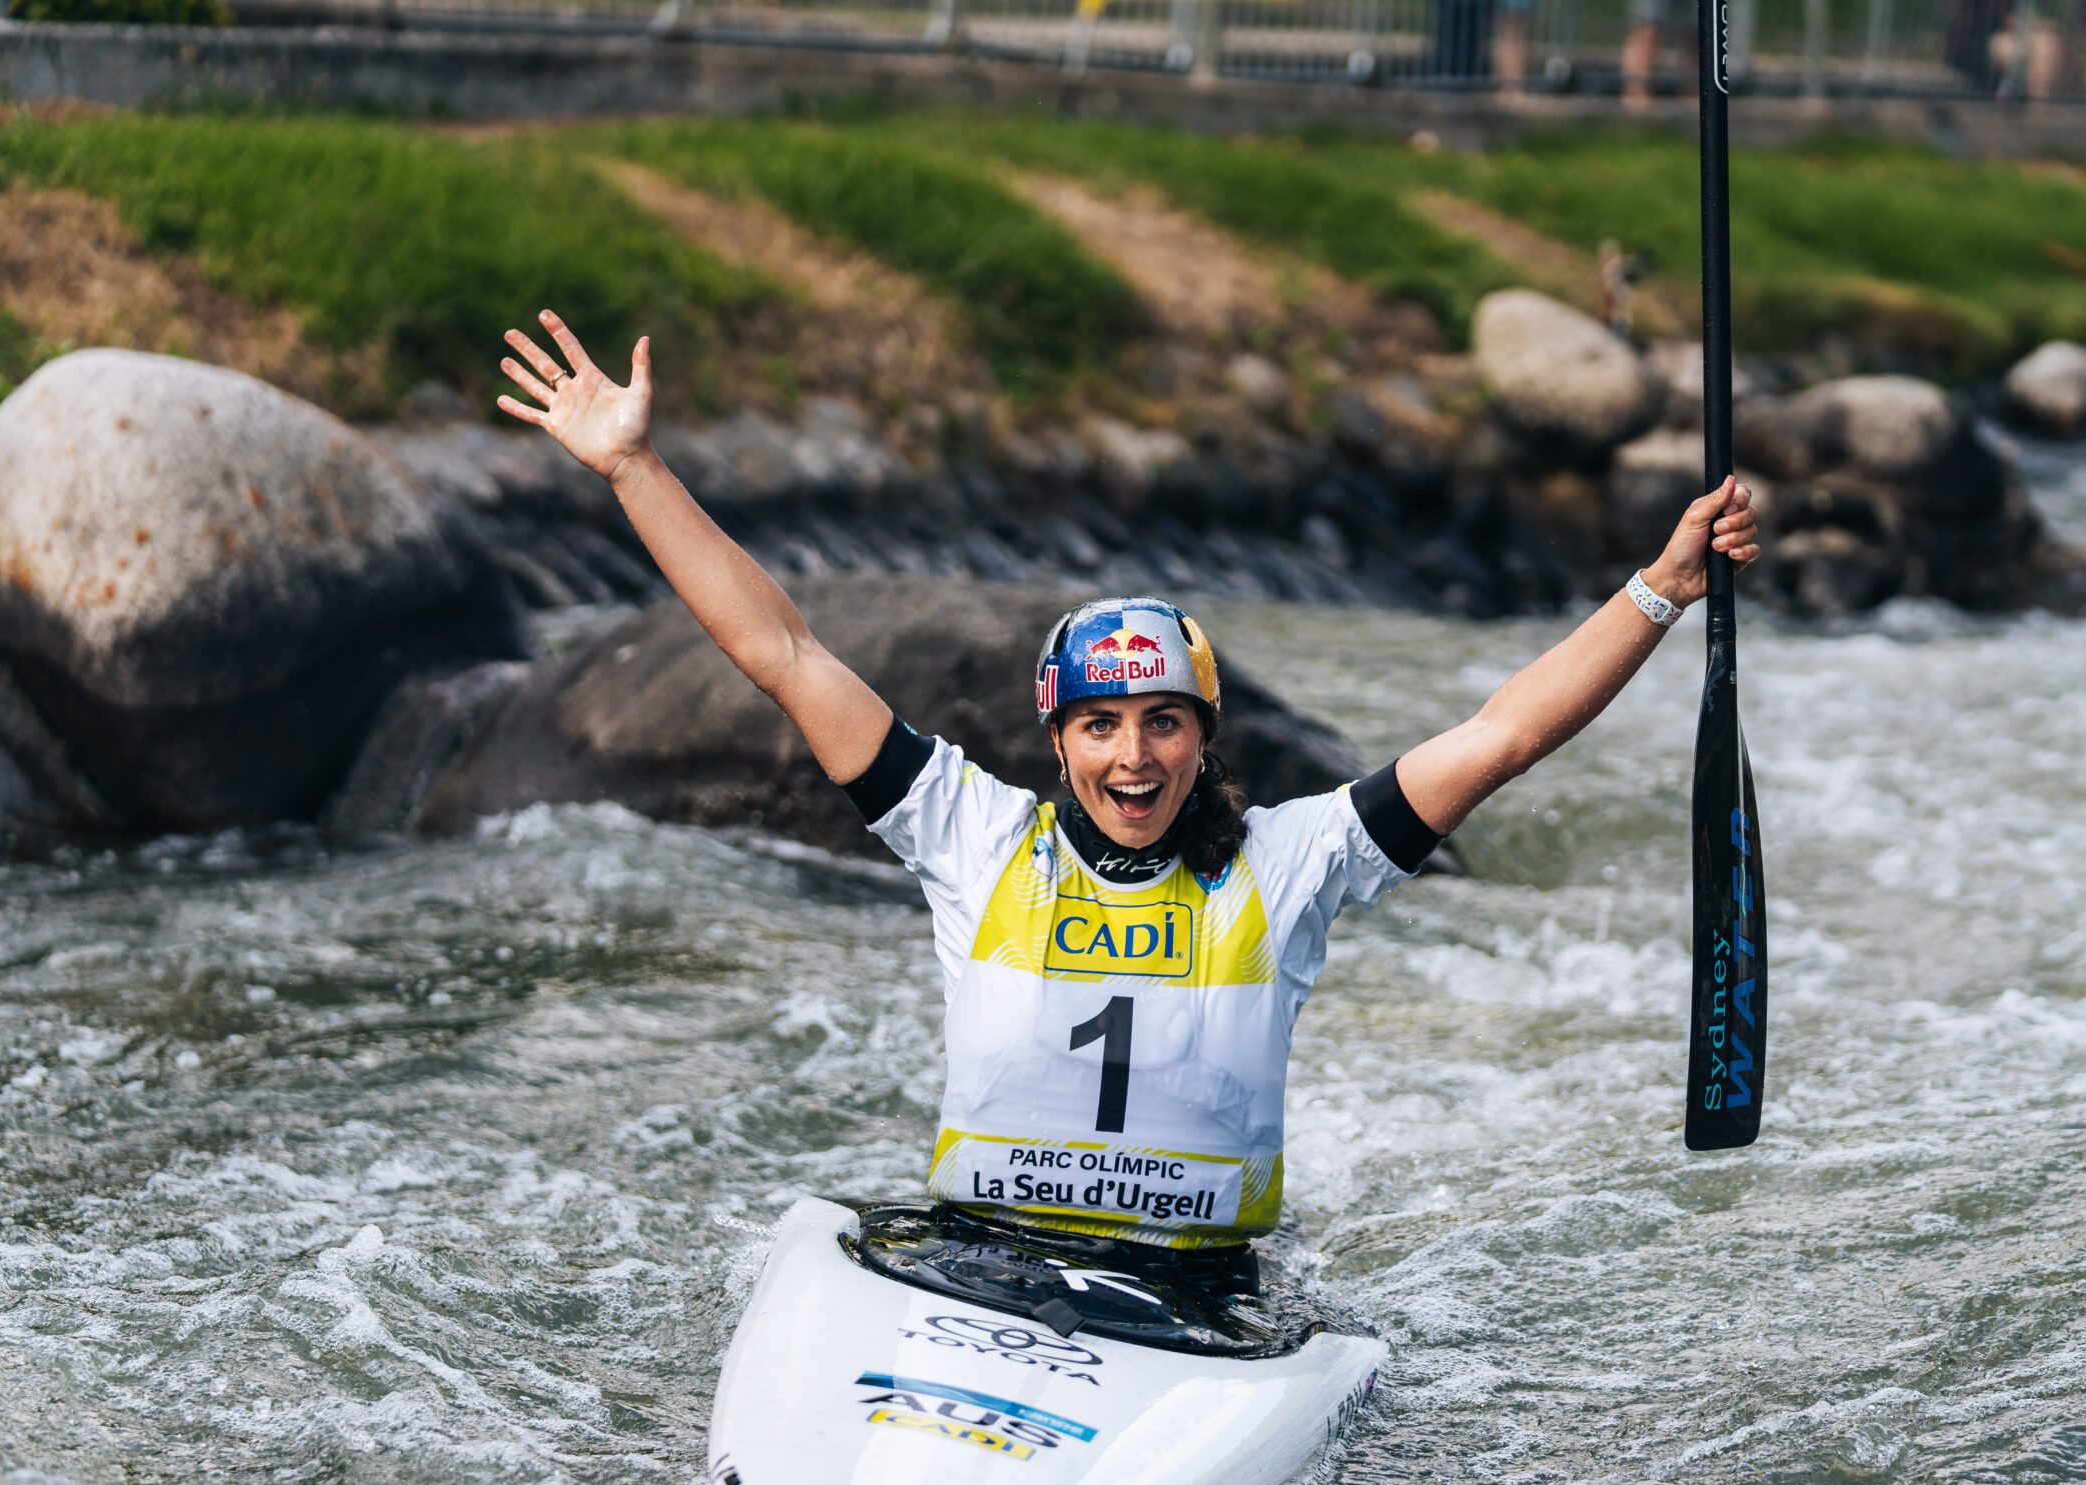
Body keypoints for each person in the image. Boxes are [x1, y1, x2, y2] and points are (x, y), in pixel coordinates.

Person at [496, 310, 1758, 1255]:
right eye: (1099, 727)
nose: (1133, 757)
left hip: (1206, 1295)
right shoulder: (970, 834)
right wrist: (633, 469)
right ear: (1057, 743)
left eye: (1164, 724)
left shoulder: (1290, 862)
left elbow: (1499, 737)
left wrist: (1660, 589)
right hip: (980, 1261)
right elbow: (782, 654)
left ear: (1206, 739)